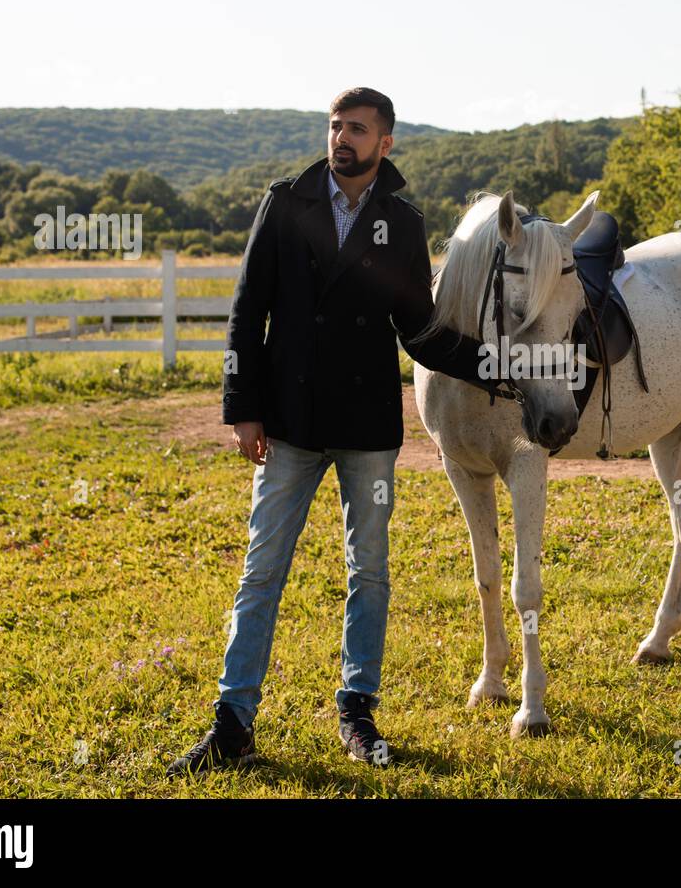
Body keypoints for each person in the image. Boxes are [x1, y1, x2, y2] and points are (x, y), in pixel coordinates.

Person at [168, 87, 496, 776]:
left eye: (358, 129)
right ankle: (232, 726)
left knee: (368, 571)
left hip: (367, 427)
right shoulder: (286, 202)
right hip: (286, 420)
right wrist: (242, 406)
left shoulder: (402, 222)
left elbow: (419, 328)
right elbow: (246, 307)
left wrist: (496, 364)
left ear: (386, 143)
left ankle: (357, 711)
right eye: (336, 126)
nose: (341, 138)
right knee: (262, 570)